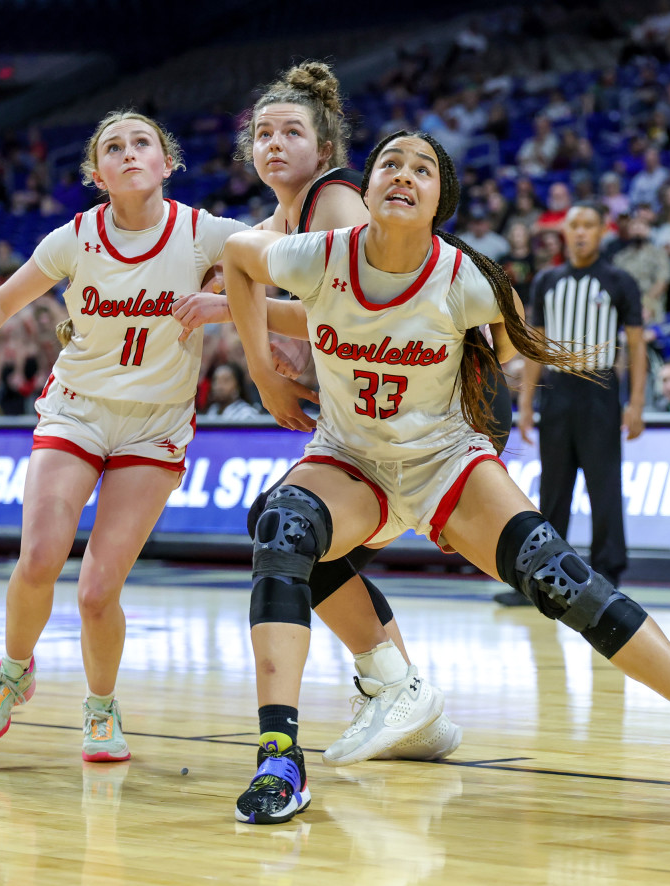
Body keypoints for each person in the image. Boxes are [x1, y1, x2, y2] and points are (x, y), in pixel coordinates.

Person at [221, 129, 670, 824]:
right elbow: (235, 258)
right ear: (365, 191)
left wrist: (480, 385)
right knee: (280, 525)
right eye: (389, 164)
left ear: (440, 200)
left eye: (422, 168)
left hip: (445, 464)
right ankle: (281, 752)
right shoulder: (319, 257)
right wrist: (261, 368)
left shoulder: (466, 278)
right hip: (353, 461)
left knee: (563, 581)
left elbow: (510, 345)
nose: (403, 174)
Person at [171, 61, 475, 761]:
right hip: (369, 423)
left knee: (297, 544)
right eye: (262, 134)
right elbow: (236, 268)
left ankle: (397, 689)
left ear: (327, 151)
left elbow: (347, 316)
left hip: (420, 419)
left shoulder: (335, 202)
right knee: (298, 541)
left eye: (291, 132)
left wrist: (240, 330)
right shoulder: (278, 219)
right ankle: (404, 697)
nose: (274, 144)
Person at [0, 110, 249, 763]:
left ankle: (100, 710)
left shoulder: (206, 234)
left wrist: (227, 302)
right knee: (40, 557)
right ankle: (14, 669)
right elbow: (3, 301)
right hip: (76, 410)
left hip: (154, 424)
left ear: (167, 163)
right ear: (97, 174)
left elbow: (291, 265)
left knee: (98, 590)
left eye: (142, 144)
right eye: (113, 147)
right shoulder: (74, 238)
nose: (129, 153)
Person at [497, 202, 646, 607]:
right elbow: (537, 346)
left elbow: (635, 346)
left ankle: (608, 576)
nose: (580, 233)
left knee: (605, 487)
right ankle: (544, 578)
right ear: (565, 231)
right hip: (558, 392)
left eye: (589, 226)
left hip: (600, 391)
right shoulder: (547, 280)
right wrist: (526, 403)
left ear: (602, 232)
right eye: (574, 225)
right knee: (554, 488)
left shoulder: (620, 281)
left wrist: (636, 403)